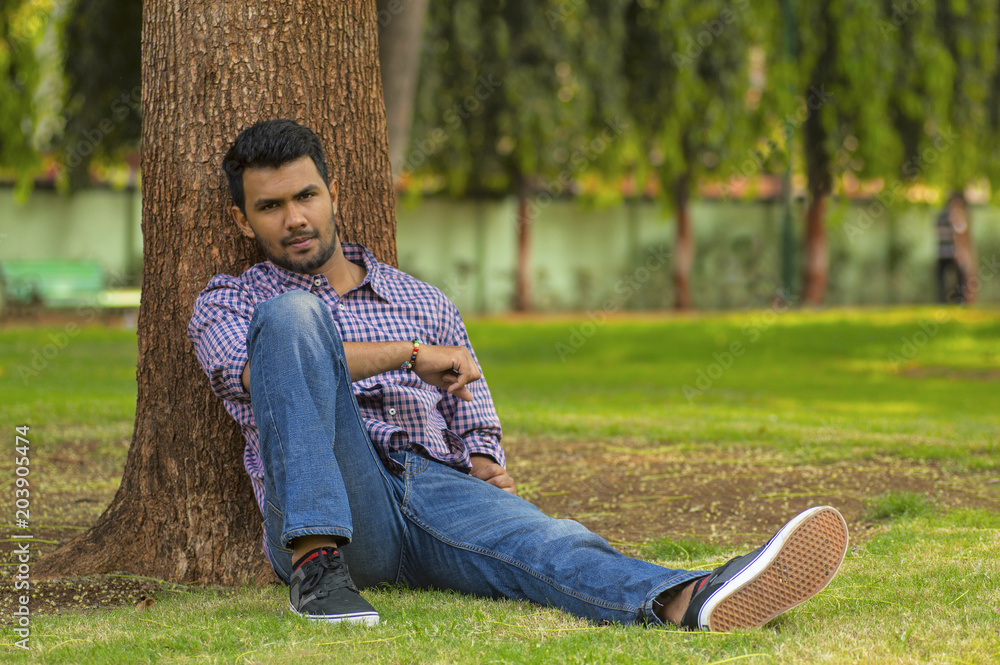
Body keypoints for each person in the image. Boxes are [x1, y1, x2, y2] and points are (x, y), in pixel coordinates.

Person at [187, 119, 849, 632]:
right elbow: (245, 373)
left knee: (547, 539)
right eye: (272, 206)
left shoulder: (423, 300)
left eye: (306, 195)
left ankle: (689, 596)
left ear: (333, 195)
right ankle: (317, 570)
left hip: (433, 486)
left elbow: (472, 410)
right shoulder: (236, 303)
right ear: (243, 220)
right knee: (292, 316)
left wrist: (484, 466)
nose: (295, 217)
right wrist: (407, 354)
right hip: (342, 506)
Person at [935, 192, 976, 304]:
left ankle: (958, 301)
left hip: (956, 253)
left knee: (961, 278)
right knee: (953, 279)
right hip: (950, 253)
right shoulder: (949, 216)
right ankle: (950, 300)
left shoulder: (956, 216)